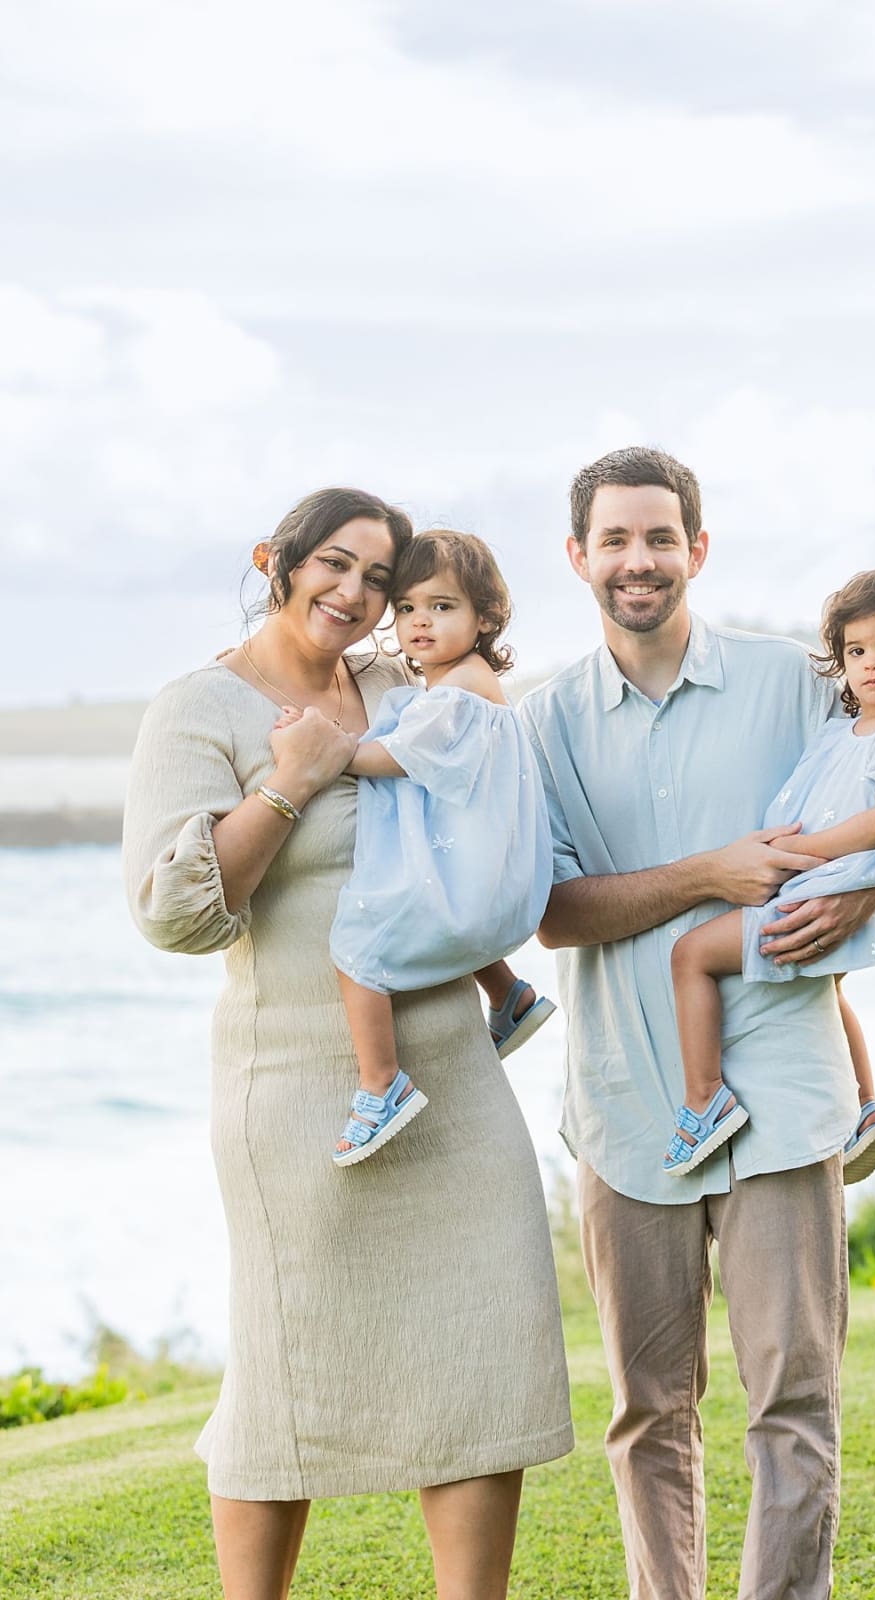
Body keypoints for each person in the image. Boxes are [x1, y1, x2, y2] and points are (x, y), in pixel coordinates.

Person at [123, 487, 573, 1600]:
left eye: (379, 577)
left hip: (453, 1082)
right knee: (285, 1376)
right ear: (277, 561)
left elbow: (481, 806)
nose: (359, 595)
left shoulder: (400, 682)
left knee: (480, 1349)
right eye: (335, 564)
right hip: (301, 1087)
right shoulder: (198, 710)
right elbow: (176, 916)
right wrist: (292, 776)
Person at [520, 446, 875, 1600]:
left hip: (786, 1094)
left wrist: (864, 893)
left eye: (658, 538)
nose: (636, 561)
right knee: (649, 1409)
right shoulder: (540, 722)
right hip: (625, 1101)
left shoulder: (798, 683)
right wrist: (707, 875)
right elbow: (548, 915)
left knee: (792, 1401)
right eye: (614, 540)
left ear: (696, 549)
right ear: (577, 557)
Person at [664, 564, 875, 1183]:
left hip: (814, 893)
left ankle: (703, 1100)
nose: (872, 664)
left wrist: (806, 851)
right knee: (830, 994)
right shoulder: (848, 729)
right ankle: (866, 1109)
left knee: (690, 956)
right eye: (857, 650)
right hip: (816, 885)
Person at [271, 529, 555, 1165]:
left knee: (357, 950)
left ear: (486, 618)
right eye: (405, 608)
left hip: (476, 881)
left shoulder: (457, 694)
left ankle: (382, 1085)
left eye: (442, 606)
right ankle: (511, 996)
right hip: (485, 873)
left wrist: (318, 746)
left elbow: (390, 759)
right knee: (435, 890)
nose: (419, 622)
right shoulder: (457, 682)